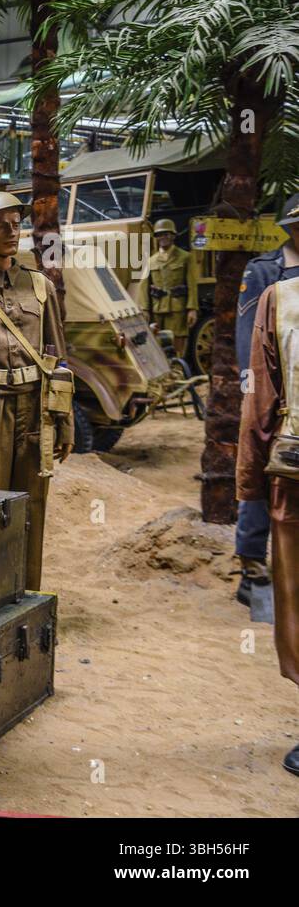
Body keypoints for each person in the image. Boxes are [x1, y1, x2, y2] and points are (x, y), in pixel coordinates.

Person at [0, 191, 73, 593]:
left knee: (32, 509)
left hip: (33, 410)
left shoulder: (40, 286)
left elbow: (57, 359)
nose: (12, 232)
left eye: (16, 223)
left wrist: (64, 423)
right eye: (0, 225)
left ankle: (25, 598)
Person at [236, 272, 299, 777]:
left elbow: (262, 396)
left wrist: (251, 480)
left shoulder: (281, 299)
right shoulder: (280, 298)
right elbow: (262, 393)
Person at [235, 193, 299, 607]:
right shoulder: (265, 272)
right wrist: (255, 396)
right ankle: (253, 568)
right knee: (259, 475)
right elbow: (249, 339)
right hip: (271, 397)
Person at [144, 218, 194, 357]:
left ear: (173, 235)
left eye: (167, 234)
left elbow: (191, 284)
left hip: (177, 308)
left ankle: (178, 367)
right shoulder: (150, 261)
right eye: (160, 234)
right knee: (157, 341)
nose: (163, 238)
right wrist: (144, 309)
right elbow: (144, 288)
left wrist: (192, 309)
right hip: (158, 308)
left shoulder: (185, 257)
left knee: (177, 340)